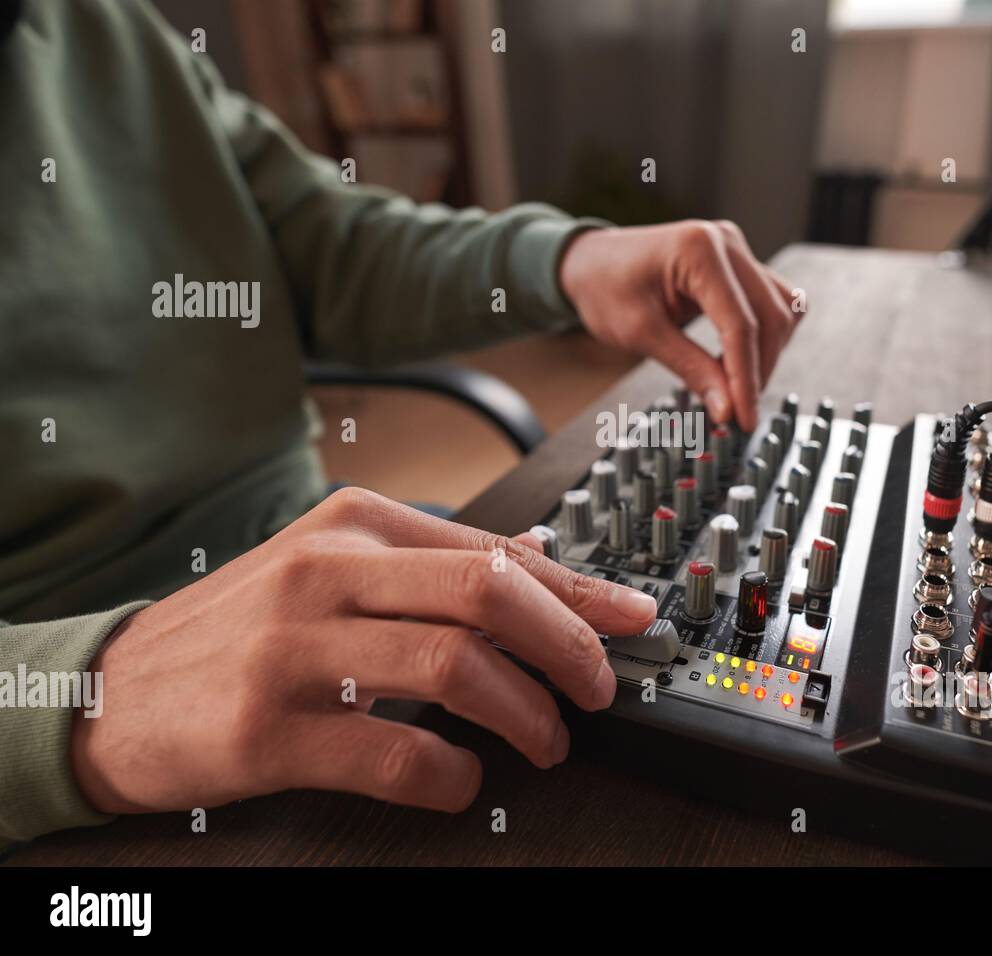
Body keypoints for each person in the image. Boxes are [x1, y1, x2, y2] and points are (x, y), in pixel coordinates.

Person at [0, 0, 803, 842]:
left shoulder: (111, 27)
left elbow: (331, 246)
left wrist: (564, 260)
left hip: (305, 540)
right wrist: (83, 695)